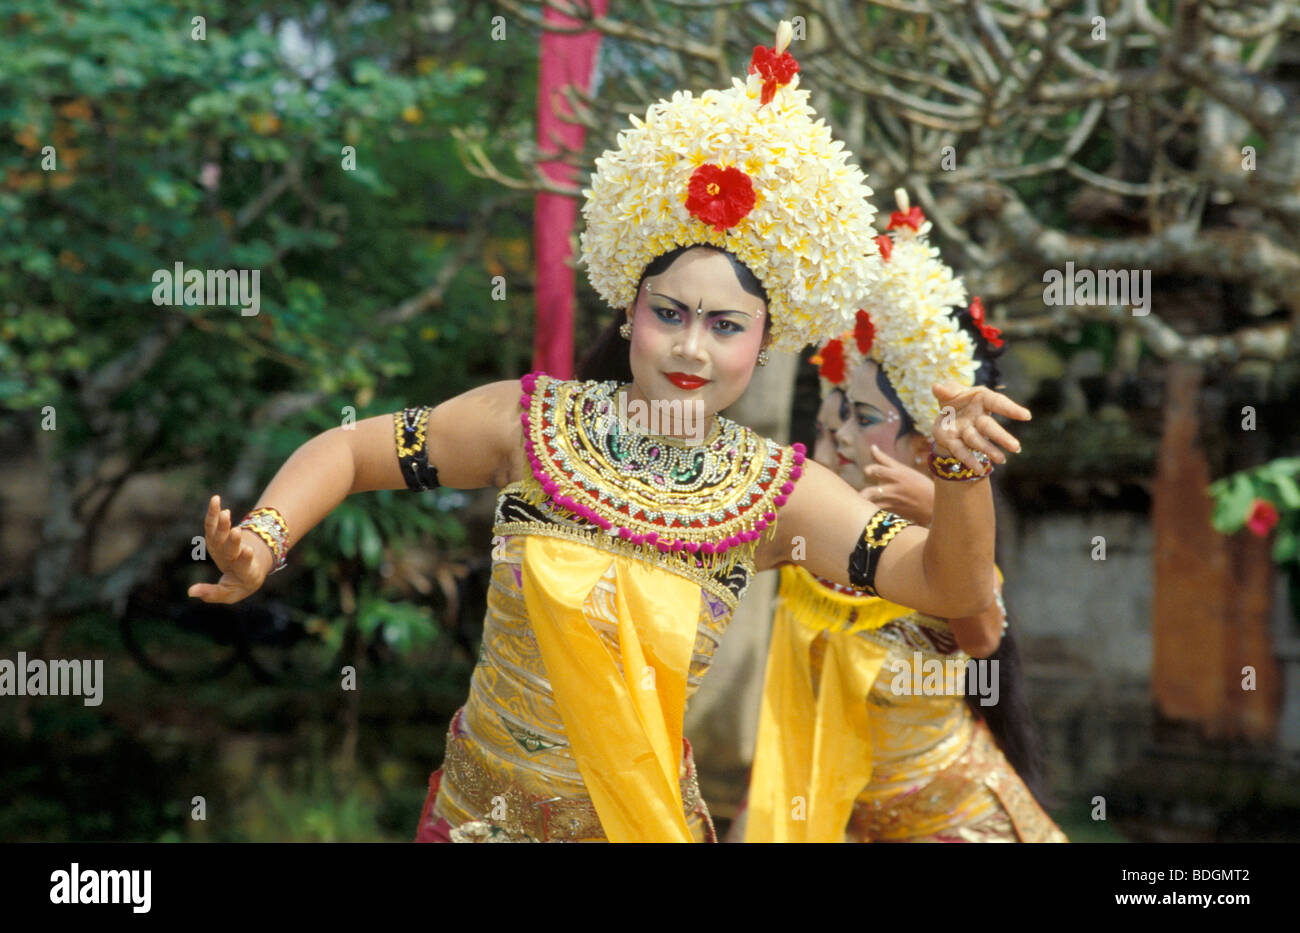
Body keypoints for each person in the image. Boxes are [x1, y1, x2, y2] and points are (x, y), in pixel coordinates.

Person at [187, 24, 1031, 842]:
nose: (692, 346)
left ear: (764, 343)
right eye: (669, 313)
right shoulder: (529, 425)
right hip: (474, 821)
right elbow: (348, 448)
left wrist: (961, 475)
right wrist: (264, 539)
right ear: (629, 309)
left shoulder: (782, 495)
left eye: (726, 326)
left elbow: (949, 588)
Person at [742, 193, 1066, 842]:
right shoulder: (811, 529)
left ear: (926, 445)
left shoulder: (940, 554)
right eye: (833, 411)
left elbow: (980, 638)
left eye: (861, 418)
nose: (833, 434)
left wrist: (942, 505)